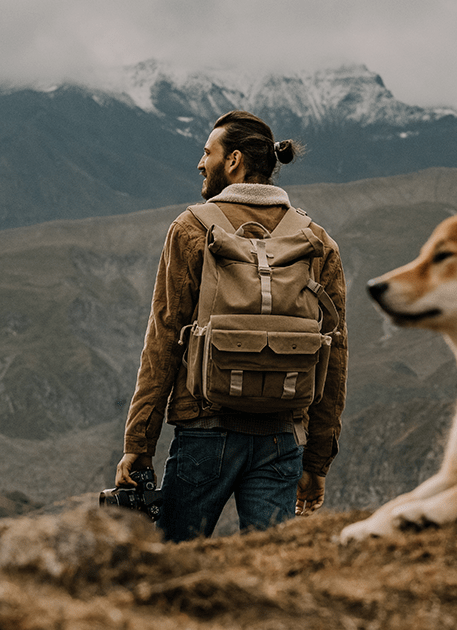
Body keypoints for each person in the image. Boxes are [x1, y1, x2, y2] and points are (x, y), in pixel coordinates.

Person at [114, 110, 347, 542]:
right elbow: (334, 356)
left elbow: (163, 340)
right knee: (272, 570)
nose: (201, 163)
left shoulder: (191, 228)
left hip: (206, 430)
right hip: (282, 436)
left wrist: (138, 445)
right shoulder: (316, 240)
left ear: (234, 160)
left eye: (207, 153)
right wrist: (316, 463)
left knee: (176, 562)